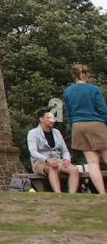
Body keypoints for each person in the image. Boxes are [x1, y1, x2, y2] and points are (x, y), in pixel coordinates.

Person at [64, 65, 107, 195]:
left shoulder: (68, 91)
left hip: (78, 126)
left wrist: (72, 126)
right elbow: (103, 110)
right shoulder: (94, 89)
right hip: (95, 124)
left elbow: (68, 113)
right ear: (86, 74)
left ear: (73, 76)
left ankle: (102, 193)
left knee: (92, 162)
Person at [28, 109, 78, 194]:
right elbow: (33, 152)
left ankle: (72, 195)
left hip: (57, 160)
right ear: (41, 119)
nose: (52, 120)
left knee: (74, 169)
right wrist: (47, 160)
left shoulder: (57, 132)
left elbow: (64, 150)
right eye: (48, 118)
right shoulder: (33, 133)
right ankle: (58, 194)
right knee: (52, 168)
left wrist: (66, 159)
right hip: (40, 162)